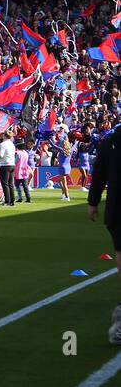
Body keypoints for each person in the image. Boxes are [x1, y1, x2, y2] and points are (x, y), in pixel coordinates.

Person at [85, 129, 121, 345]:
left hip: (117, 208)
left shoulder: (110, 141)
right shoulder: (110, 142)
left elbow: (98, 173)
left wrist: (93, 202)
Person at [0, 130, 16, 207]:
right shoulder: (12, 144)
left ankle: (7, 201)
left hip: (5, 165)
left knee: (5, 184)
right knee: (10, 183)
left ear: (4, 136)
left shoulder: (2, 144)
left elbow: (1, 155)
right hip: (12, 164)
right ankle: (12, 201)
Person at [13, 140, 33, 204]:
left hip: (17, 171)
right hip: (24, 170)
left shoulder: (17, 153)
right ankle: (28, 198)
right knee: (25, 186)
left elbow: (15, 161)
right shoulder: (25, 152)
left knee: (17, 185)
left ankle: (20, 198)